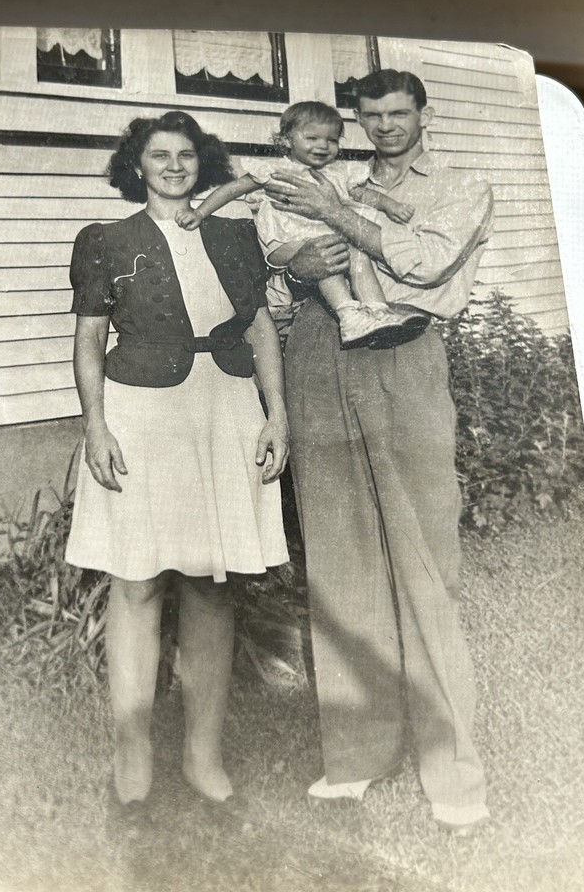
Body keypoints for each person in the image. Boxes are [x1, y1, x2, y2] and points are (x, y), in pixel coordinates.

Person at [264, 70, 494, 834]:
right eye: (372, 115)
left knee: (426, 563)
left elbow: (424, 265)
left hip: (404, 351)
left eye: (399, 113)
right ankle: (358, 753)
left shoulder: (461, 186)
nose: (386, 126)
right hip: (320, 353)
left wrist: (338, 217)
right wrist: (291, 268)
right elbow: (277, 283)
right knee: (340, 559)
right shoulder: (333, 178)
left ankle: (453, 771)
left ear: (423, 115)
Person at [65, 110, 289, 810]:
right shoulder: (106, 240)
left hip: (224, 409)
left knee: (211, 582)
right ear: (136, 165)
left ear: (203, 162)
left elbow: (259, 329)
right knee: (135, 582)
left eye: (185, 154)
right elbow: (89, 339)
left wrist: (276, 411)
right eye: (158, 155)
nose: (173, 166)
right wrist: (95, 425)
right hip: (142, 413)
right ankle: (132, 749)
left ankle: (202, 752)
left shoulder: (234, 234)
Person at [175, 101, 426, 347]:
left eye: (331, 140)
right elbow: (232, 189)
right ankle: (349, 316)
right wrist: (199, 213)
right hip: (283, 243)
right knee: (325, 257)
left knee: (358, 253)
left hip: (320, 240)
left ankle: (377, 311)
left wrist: (390, 205)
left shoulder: (338, 172)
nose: (323, 146)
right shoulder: (275, 169)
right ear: (286, 140)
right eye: (312, 138)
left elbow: (363, 195)